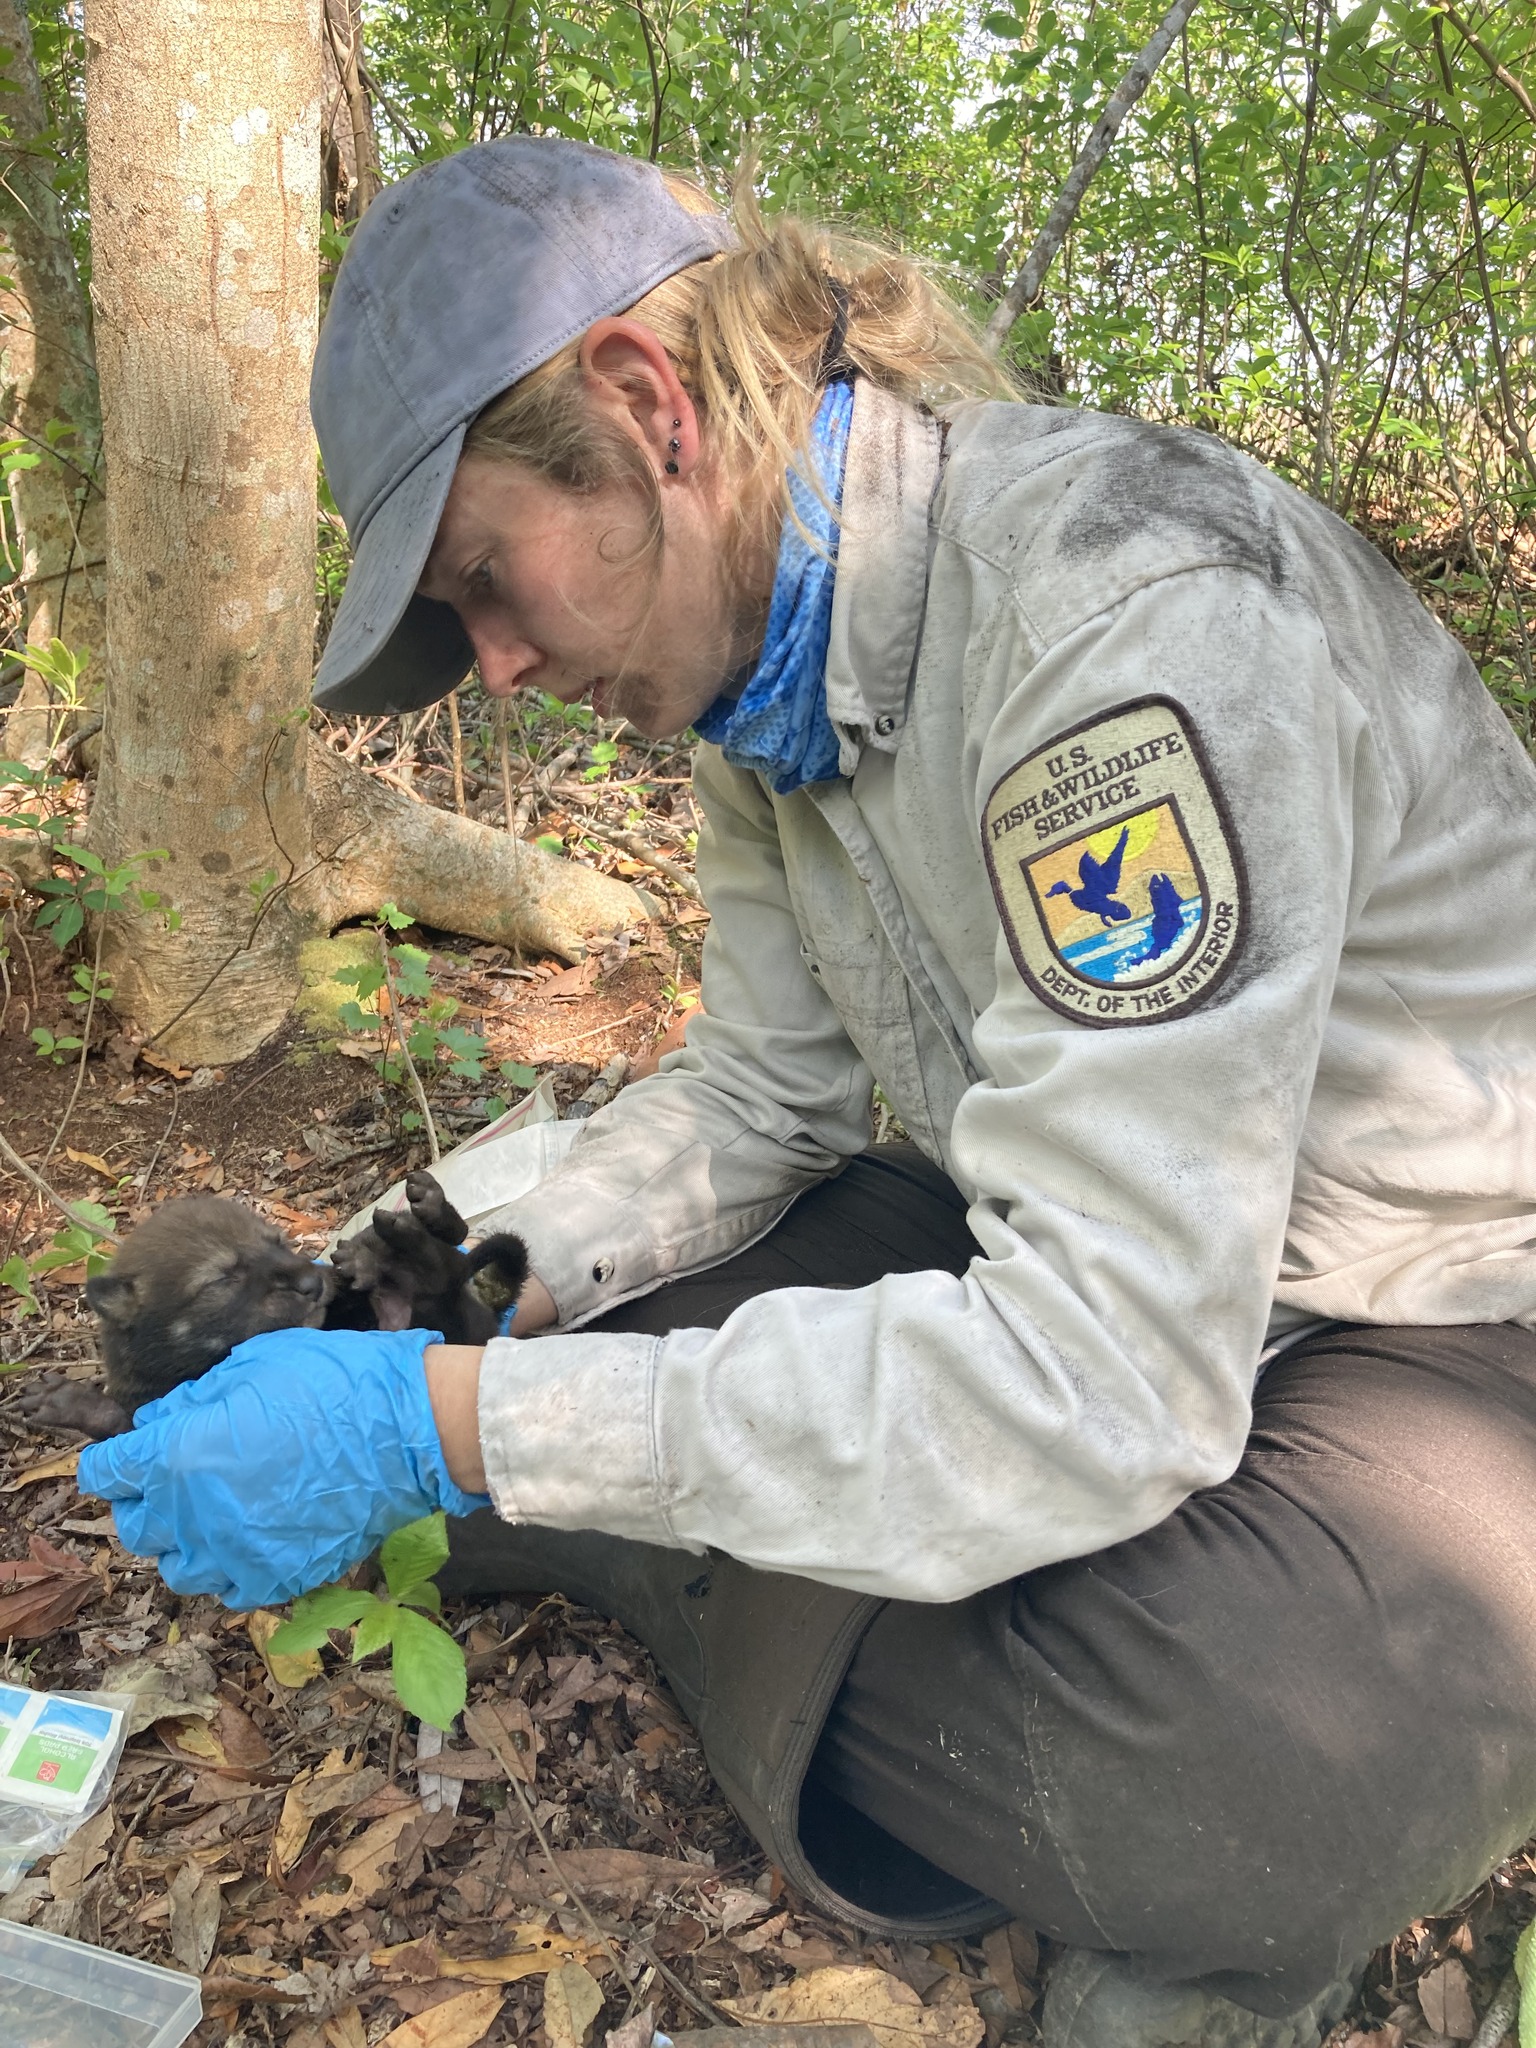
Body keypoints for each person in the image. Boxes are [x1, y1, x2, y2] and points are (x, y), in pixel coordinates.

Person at [80, 138, 1536, 2048]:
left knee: (1259, 1765)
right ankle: (688, 1527)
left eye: (486, 582)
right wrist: (493, 1294)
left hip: (1423, 1313)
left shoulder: (1129, 620)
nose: (501, 668)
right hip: (1048, 1229)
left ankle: (677, 1551)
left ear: (643, 404)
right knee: (561, 1353)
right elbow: (760, 1100)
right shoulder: (758, 681)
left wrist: (447, 1428)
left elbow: (1103, 1377)